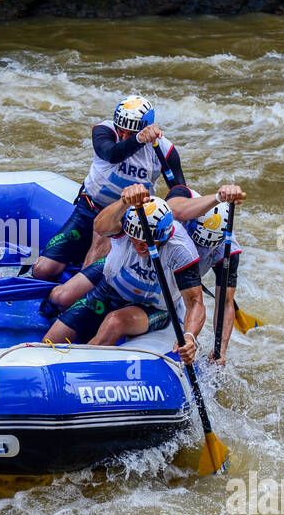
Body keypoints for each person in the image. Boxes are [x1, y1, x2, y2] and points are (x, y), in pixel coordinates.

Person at [40, 186, 204, 365]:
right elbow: (99, 227)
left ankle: (80, 367)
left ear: (163, 237)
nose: (140, 246)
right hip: (111, 288)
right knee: (50, 340)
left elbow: (195, 302)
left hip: (151, 307)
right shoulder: (127, 224)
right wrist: (123, 202)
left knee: (114, 322)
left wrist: (189, 337)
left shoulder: (181, 250)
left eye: (146, 242)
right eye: (135, 239)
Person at [31, 95, 186, 282]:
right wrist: (137, 138)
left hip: (127, 221)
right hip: (89, 208)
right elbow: (112, 154)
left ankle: (80, 289)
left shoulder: (163, 149)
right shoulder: (104, 130)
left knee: (95, 254)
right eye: (122, 131)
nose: (123, 137)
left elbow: (179, 190)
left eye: (130, 133)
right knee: (42, 271)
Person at [165, 183, 246, 366]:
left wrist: (220, 350)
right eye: (198, 243)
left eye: (205, 246)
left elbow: (224, 302)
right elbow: (172, 208)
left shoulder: (228, 249)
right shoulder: (183, 196)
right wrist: (219, 196)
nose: (199, 251)